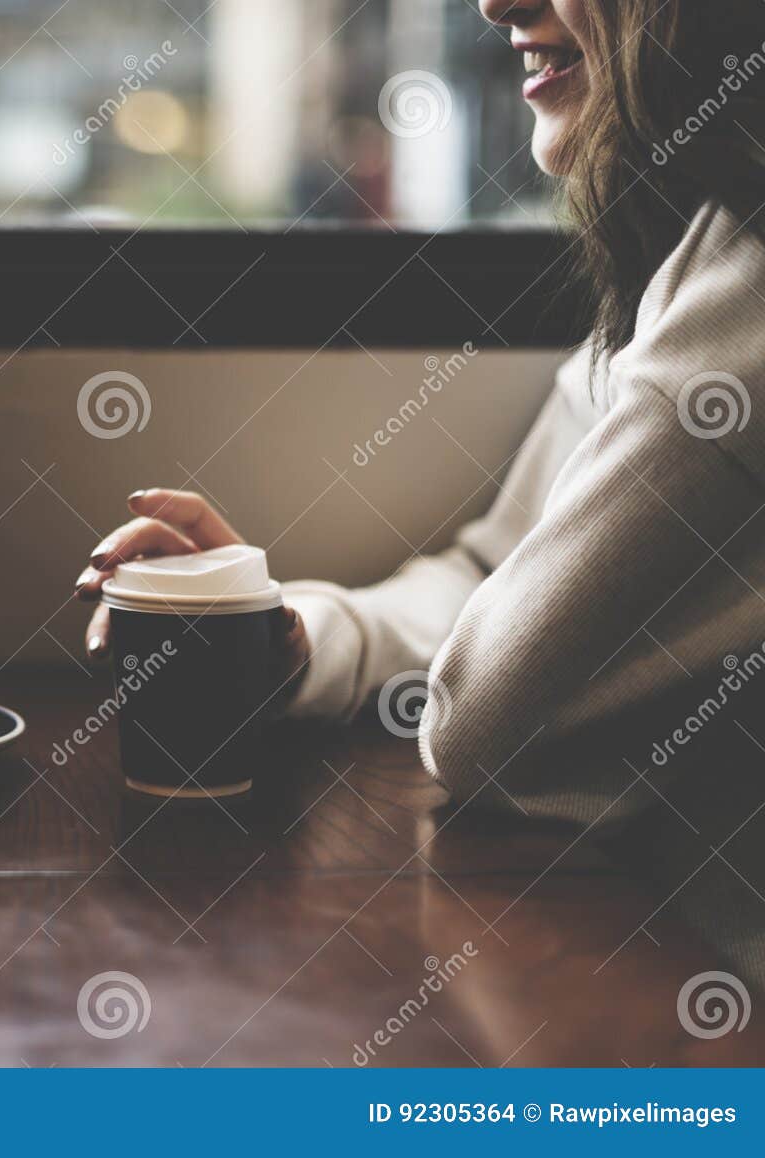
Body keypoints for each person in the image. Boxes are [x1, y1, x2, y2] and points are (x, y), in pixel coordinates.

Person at [78, 0, 765, 983]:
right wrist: (295, 637)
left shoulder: (740, 299)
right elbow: (505, 568)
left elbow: (494, 728)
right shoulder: (683, 251)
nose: (495, 5)